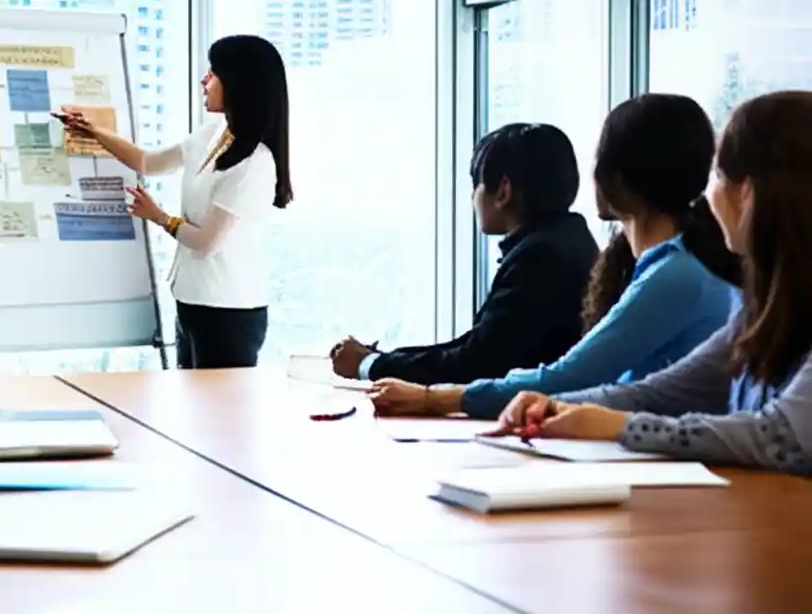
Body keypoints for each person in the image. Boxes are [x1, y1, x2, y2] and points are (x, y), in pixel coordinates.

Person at [491, 91, 812, 474]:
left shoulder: (679, 274)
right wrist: (562, 408)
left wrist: (620, 426)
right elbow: (664, 392)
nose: (708, 194)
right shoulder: (757, 307)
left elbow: (782, 437)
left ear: (748, 193)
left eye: (718, 175)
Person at [371, 94, 741, 419]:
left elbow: (569, 377)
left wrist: (433, 398)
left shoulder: (675, 275)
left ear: (615, 177)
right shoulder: (666, 265)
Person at [59, 35, 292, 369]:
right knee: (191, 396)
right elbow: (147, 162)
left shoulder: (255, 162)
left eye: (213, 73)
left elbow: (208, 242)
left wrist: (159, 217)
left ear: (238, 83)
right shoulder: (213, 134)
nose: (204, 80)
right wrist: (94, 131)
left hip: (229, 309)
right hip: (191, 298)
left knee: (216, 401)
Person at [330, 123, 599, 384]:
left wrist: (369, 365)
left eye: (476, 185)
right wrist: (380, 359)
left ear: (503, 191)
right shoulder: (569, 239)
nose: (473, 197)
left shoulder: (538, 258)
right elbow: (478, 345)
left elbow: (474, 364)